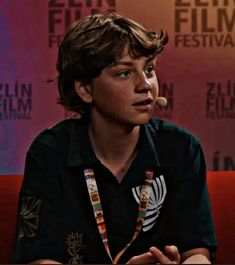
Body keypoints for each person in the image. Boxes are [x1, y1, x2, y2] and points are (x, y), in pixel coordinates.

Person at [12, 12, 217, 264]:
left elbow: (197, 251)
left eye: (149, 69)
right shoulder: (49, 152)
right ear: (86, 89)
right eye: (124, 73)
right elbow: (37, 259)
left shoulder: (181, 148)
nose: (145, 85)